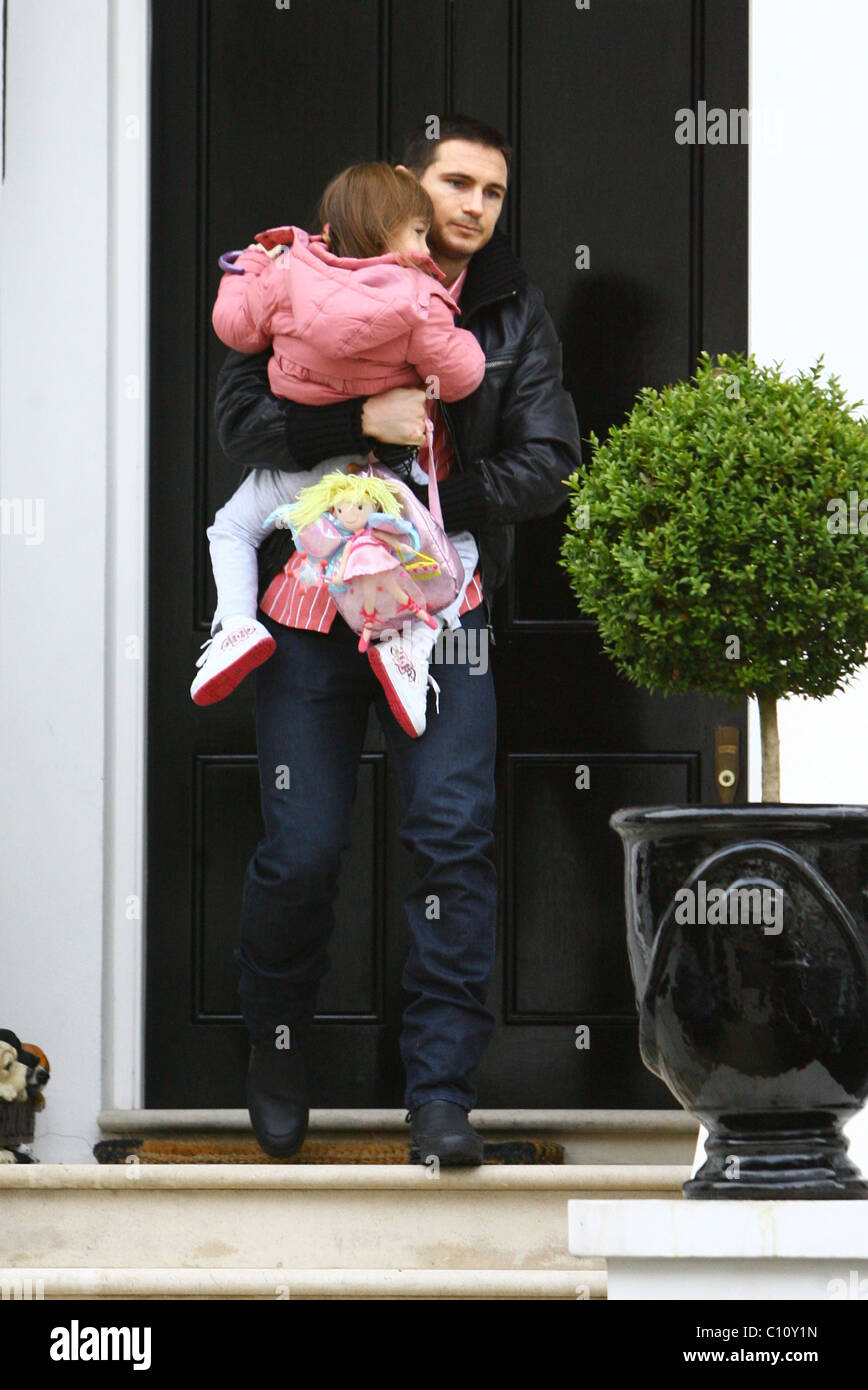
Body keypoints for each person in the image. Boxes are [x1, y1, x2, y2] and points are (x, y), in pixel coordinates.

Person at [214, 114, 582, 1166]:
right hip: (311, 615)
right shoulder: (303, 274)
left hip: (440, 615)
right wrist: (357, 429)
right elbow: (241, 423)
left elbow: (548, 459)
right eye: (455, 185)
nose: (473, 207)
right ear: (405, 194)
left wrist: (427, 508)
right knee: (301, 848)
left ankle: (440, 1099)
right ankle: (277, 1053)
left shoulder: (511, 311)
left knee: (451, 845)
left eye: (492, 193)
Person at [192, 162, 485, 735]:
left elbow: (233, 325)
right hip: (384, 474)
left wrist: (249, 266)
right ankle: (413, 641)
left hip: (302, 475)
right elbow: (462, 375)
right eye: (418, 232)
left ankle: (235, 625)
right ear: (384, 232)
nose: (426, 247)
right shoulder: (416, 299)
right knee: (457, 549)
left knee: (232, 529)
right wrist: (454, 328)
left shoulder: (284, 274)